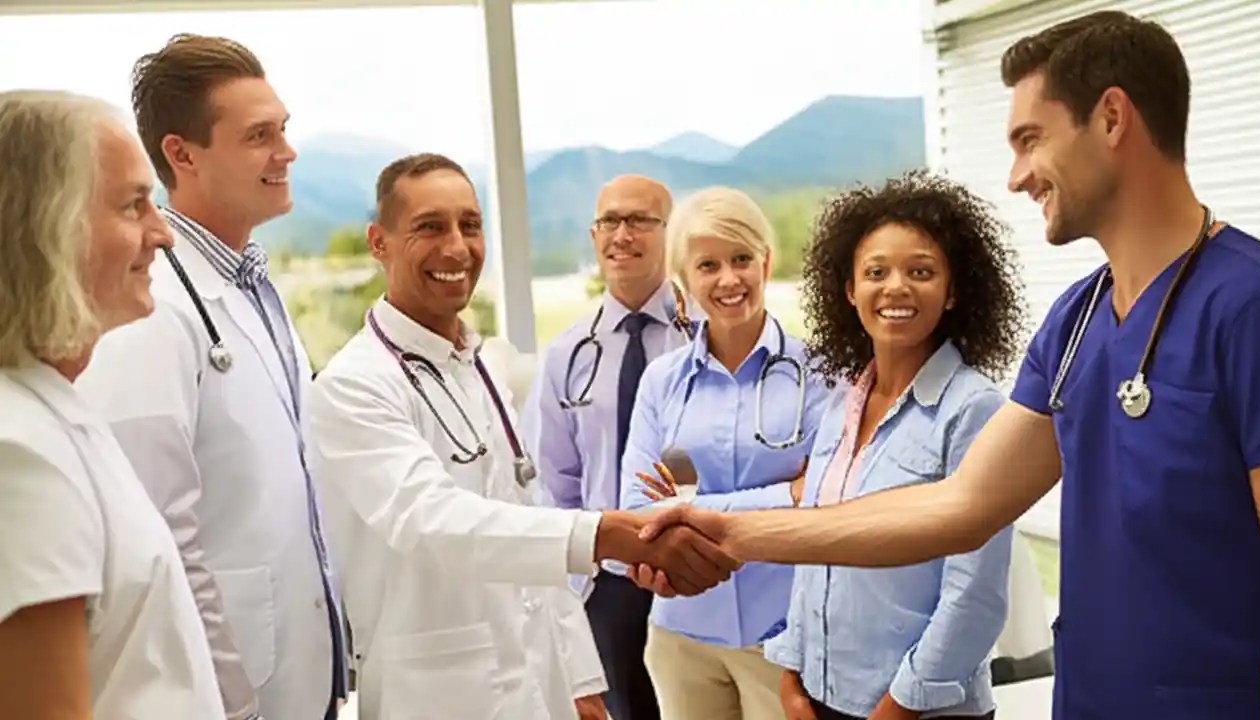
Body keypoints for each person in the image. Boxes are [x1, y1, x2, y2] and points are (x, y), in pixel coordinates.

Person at [632, 10, 1260, 720]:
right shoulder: (1076, 322)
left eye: (1030, 140)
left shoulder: (1254, 307)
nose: (1016, 177)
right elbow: (960, 506)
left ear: (1112, 119)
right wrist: (727, 530)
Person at [306, 152, 738, 720]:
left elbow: (527, 506)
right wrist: (607, 533)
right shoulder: (353, 385)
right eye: (429, 227)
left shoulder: (476, 363)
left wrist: (580, 677)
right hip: (437, 691)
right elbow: (432, 520)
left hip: (536, 679)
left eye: (470, 225)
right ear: (379, 242)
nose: (457, 248)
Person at [75, 34, 347, 720]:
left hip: (302, 675)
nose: (286, 152)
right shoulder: (153, 305)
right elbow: (158, 533)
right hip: (222, 691)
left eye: (284, 130)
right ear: (181, 153)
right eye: (259, 135)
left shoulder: (258, 288)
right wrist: (232, 701)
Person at [762, 171, 1025, 720]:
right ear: (850, 290)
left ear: (953, 290)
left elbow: (974, 596)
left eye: (921, 272)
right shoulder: (840, 405)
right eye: (876, 272)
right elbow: (817, 548)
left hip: (918, 711)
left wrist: (897, 710)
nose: (897, 287)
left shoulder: (975, 411)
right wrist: (792, 677)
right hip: (821, 699)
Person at [0, 89, 223, 718]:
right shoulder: (18, 454)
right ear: (44, 227)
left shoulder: (49, 411)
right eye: (134, 205)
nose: (163, 235)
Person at [619, 186, 833, 719]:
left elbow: (827, 503)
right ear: (683, 283)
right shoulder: (661, 383)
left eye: (741, 259)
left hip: (785, 639)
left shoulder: (823, 376)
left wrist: (688, 510)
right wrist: (784, 492)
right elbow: (637, 509)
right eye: (708, 265)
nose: (728, 279)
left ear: (765, 261)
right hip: (680, 640)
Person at [522, 173, 690, 720]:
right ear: (594, 237)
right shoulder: (566, 355)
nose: (623, 234)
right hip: (607, 584)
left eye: (640, 220)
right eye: (609, 222)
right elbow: (553, 481)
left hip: (691, 571)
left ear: (670, 233)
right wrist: (577, 586)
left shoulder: (707, 338)